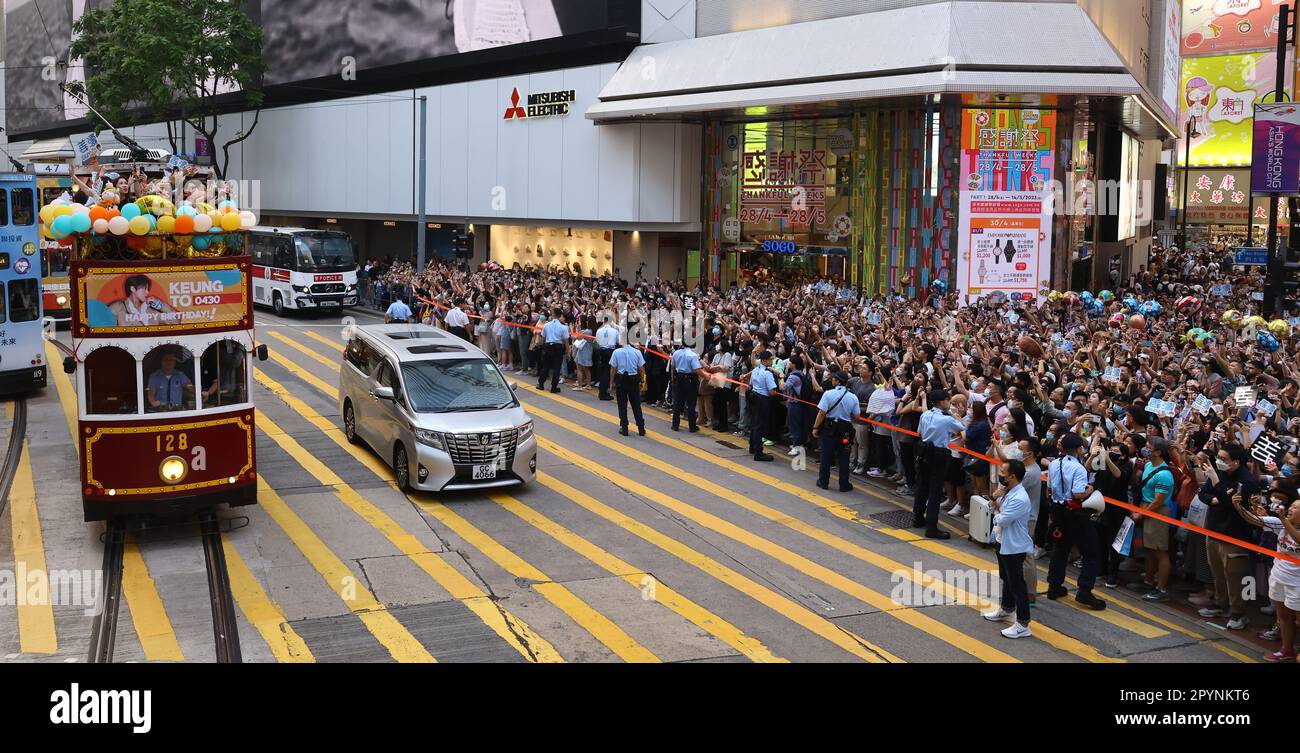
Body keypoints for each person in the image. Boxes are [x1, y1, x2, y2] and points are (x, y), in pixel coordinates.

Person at [1193, 443, 1259, 630]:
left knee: (1235, 576)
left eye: (1224, 459)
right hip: (1213, 530)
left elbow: (1233, 503)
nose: (1219, 462)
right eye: (1219, 458)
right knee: (1218, 572)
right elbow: (1204, 494)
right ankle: (1220, 604)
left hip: (1234, 535)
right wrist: (1214, 498)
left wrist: (1217, 484)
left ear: (1236, 462)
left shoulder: (1247, 482)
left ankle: (1239, 613)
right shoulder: (1219, 473)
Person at [1045, 433, 1107, 610]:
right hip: (1075, 513)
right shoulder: (1079, 468)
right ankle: (1085, 591)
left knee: (1060, 549)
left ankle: (1054, 586)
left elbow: (1049, 489)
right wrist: (1091, 489)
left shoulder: (1054, 463)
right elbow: (1078, 493)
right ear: (1078, 449)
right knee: (1091, 552)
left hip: (1058, 510)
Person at [982, 459, 1034, 639]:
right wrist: (995, 499)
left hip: (1014, 546)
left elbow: (1001, 520)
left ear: (1012, 476)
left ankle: (1023, 623)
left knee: (1017, 584)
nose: (1000, 476)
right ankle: (1007, 608)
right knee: (1007, 578)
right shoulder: (1008, 491)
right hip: (1002, 541)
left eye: (1003, 473)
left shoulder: (1019, 498)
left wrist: (993, 507)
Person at [913, 389, 964, 540]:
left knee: (922, 486)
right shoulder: (946, 419)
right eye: (948, 400)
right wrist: (956, 415)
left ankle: (917, 518)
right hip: (939, 455)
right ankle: (931, 527)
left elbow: (920, 433)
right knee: (935, 491)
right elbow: (961, 428)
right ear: (942, 402)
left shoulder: (925, 414)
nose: (949, 403)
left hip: (923, 452)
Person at [1132, 436, 1177, 602]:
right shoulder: (1149, 465)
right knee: (1149, 548)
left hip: (1156, 512)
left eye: (1149, 447)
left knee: (1159, 551)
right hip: (1146, 507)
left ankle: (1161, 588)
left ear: (1158, 452)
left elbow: (1158, 501)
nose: (1145, 449)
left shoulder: (1165, 475)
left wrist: (1141, 514)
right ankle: (1148, 581)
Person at [811, 370, 860, 492]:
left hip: (829, 428)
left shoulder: (828, 394)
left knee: (826, 456)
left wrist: (815, 427)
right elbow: (857, 415)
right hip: (845, 429)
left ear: (837, 381)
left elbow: (822, 413)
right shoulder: (853, 397)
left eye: (833, 379)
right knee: (844, 457)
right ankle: (844, 484)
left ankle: (823, 482)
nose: (831, 380)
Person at [745, 351, 779, 462]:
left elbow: (751, 384)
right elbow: (771, 392)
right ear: (764, 360)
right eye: (770, 359)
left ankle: (752, 447)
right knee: (759, 426)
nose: (772, 361)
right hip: (762, 400)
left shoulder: (755, 370)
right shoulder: (767, 373)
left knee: (754, 423)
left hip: (754, 397)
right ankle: (758, 452)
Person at [609, 340, 646, 437]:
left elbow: (613, 369)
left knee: (622, 404)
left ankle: (624, 428)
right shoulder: (637, 352)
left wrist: (611, 382)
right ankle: (641, 428)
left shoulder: (616, 352)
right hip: (633, 379)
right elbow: (641, 369)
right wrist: (642, 381)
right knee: (636, 404)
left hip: (621, 379)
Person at [670, 340, 708, 433]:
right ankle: (692, 426)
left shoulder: (676, 353)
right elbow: (697, 369)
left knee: (677, 402)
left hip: (679, 378)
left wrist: (673, 379)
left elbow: (673, 367)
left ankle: (675, 425)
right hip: (690, 379)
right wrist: (706, 376)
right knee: (691, 403)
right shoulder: (693, 355)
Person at [537, 307, 569, 393]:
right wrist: (567, 351)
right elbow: (566, 341)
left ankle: (541, 384)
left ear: (553, 314)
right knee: (557, 367)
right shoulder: (563, 327)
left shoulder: (547, 325)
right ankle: (554, 387)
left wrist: (543, 346)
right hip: (558, 346)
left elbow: (543, 336)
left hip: (548, 345)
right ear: (560, 316)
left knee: (546, 366)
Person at [594, 317, 621, 401]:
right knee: (607, 371)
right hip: (610, 351)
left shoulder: (599, 330)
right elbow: (619, 342)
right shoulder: (614, 331)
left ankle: (602, 390)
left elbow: (597, 341)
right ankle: (603, 392)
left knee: (602, 370)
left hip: (601, 350)